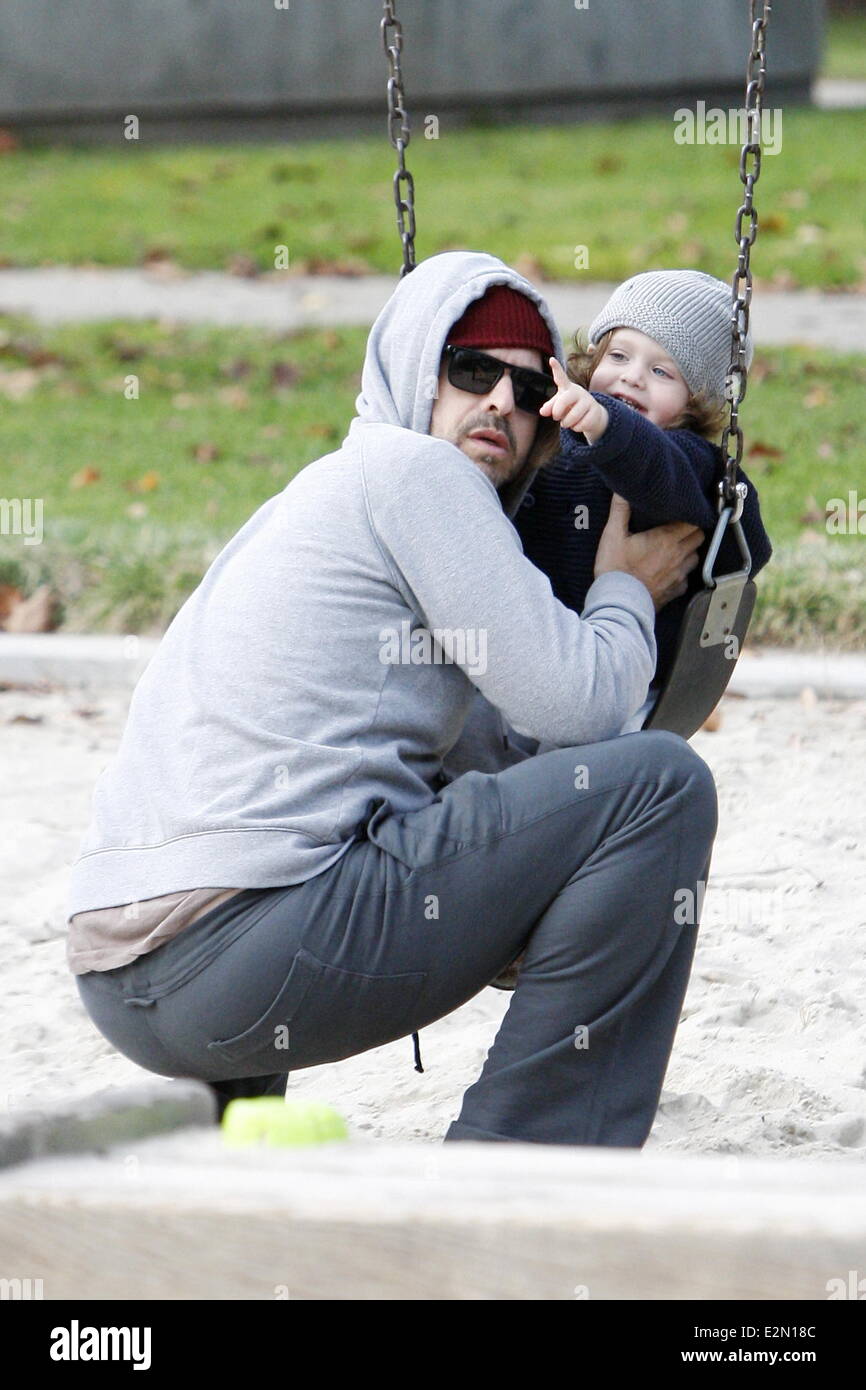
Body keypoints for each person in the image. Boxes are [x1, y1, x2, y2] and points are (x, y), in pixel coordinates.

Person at [67, 250, 718, 1147]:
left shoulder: (330, 493)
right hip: (237, 959)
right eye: (472, 370)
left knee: (310, 827)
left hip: (132, 985)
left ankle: (229, 1154)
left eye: (531, 392)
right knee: (660, 785)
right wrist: (625, 592)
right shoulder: (420, 474)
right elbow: (586, 710)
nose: (500, 402)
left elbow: (495, 758)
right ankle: (523, 1176)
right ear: (419, 369)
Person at [514, 269, 772, 695]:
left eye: (661, 371)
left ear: (699, 400)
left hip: (633, 681)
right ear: (593, 360)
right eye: (618, 356)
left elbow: (651, 466)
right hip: (543, 658)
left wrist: (606, 421)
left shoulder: (689, 460)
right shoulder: (559, 432)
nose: (633, 376)